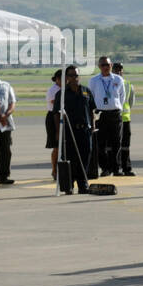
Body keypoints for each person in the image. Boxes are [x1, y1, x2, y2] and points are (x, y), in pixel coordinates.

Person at [54, 66, 95, 194]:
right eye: (71, 75)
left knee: (85, 157)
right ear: (66, 78)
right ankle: (69, 185)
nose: (74, 78)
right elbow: (56, 113)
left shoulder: (86, 91)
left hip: (84, 131)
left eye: (76, 75)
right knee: (69, 157)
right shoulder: (61, 93)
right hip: (68, 132)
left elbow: (92, 110)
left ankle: (83, 184)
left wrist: (93, 126)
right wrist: (57, 131)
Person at [87, 56, 125, 175]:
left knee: (116, 143)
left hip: (114, 114)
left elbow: (122, 97)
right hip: (100, 115)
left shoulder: (118, 79)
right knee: (101, 143)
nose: (105, 67)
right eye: (102, 65)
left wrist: (116, 106)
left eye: (107, 65)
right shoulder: (94, 80)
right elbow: (90, 97)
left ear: (111, 65)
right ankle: (105, 168)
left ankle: (116, 168)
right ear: (99, 67)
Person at [112, 61, 136, 176]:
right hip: (113, 119)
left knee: (125, 145)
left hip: (125, 118)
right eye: (116, 69)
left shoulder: (128, 84)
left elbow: (131, 103)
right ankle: (114, 168)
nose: (119, 71)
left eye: (120, 69)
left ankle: (127, 167)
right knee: (113, 144)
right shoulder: (109, 83)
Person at [45, 69, 62, 179]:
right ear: (56, 79)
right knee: (56, 146)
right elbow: (55, 102)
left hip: (65, 117)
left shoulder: (66, 89)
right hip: (53, 117)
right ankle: (54, 170)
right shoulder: (53, 90)